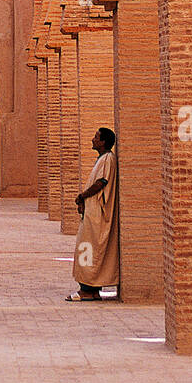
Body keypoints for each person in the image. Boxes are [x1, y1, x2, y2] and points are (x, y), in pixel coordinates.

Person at [65, 127, 119, 301]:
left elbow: (101, 183)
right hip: (92, 213)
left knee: (87, 248)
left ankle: (87, 289)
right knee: (88, 248)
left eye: (96, 137)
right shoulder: (103, 159)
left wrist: (82, 196)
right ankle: (92, 289)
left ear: (103, 142)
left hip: (97, 215)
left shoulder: (108, 159)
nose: (92, 139)